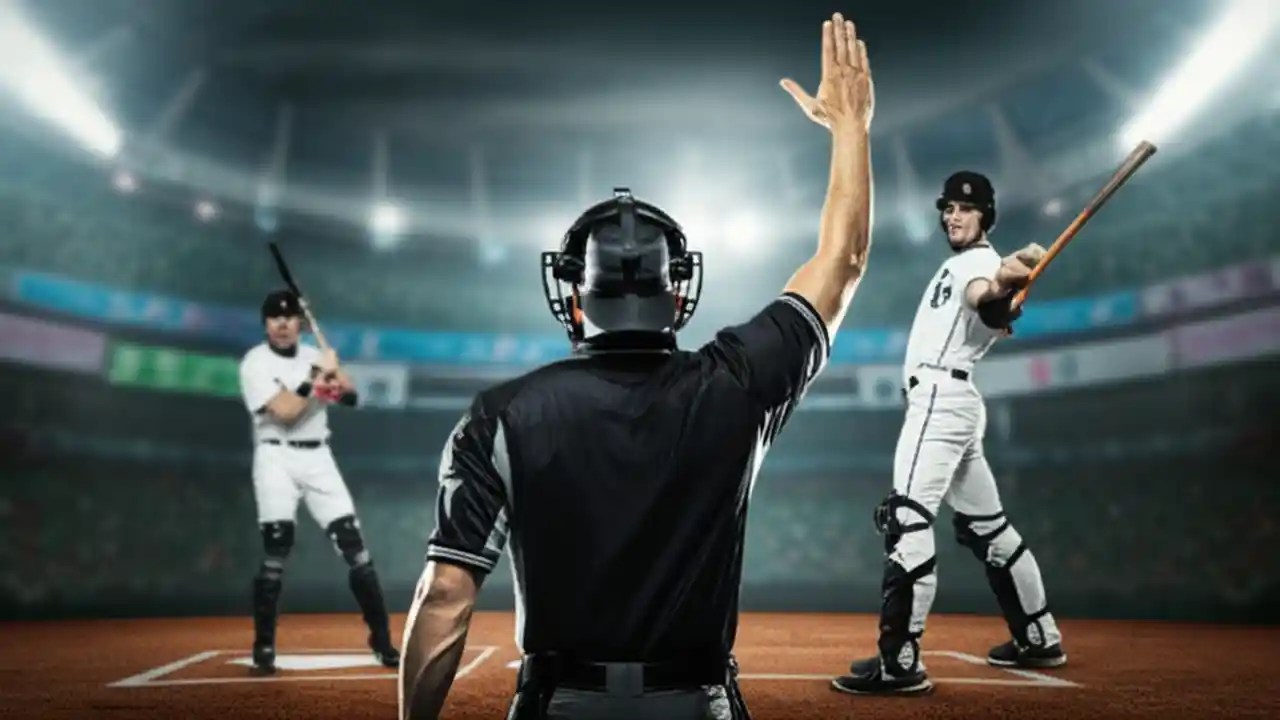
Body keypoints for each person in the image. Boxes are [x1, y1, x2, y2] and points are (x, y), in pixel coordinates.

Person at [398, 11, 874, 720]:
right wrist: (850, 129)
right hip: (697, 702)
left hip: (558, 702)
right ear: (678, 292)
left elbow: (444, 597)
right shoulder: (738, 382)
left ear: (573, 297)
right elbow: (843, 263)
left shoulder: (501, 415)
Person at [831, 171, 1067, 697]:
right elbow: (996, 309)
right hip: (955, 403)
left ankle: (899, 662)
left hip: (939, 401)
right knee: (989, 529)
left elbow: (987, 297)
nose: (951, 216)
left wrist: (1006, 278)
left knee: (908, 520)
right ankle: (1038, 635)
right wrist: (1006, 288)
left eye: (964, 208)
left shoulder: (981, 265)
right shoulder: (973, 264)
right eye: (947, 208)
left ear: (985, 214)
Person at [237, 289, 400, 675]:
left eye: (290, 317)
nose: (281, 324)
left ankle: (382, 639)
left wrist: (333, 365)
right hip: (275, 454)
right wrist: (316, 375)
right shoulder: (254, 364)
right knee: (277, 547)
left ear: (300, 324)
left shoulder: (315, 355)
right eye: (274, 318)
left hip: (318, 457)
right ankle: (264, 646)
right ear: (265, 325)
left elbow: (351, 396)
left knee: (354, 546)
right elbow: (288, 412)